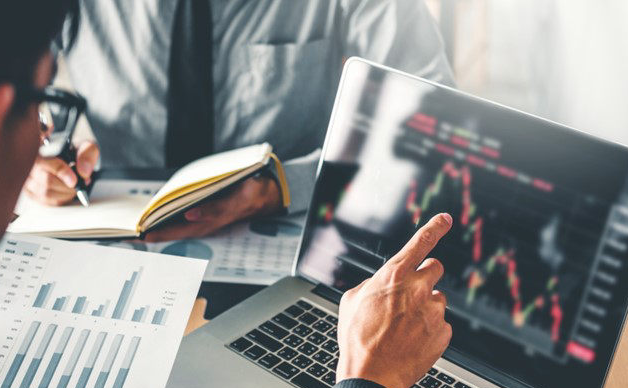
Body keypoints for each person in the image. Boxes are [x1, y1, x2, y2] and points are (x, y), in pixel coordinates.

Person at [0, 1, 452, 388]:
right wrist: (40, 150)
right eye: (40, 102)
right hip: (114, 255)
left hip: (290, 258)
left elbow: (433, 123)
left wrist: (283, 184)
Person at [23, 0, 455, 242]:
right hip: (114, 227)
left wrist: (284, 186)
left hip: (289, 229)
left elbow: (432, 126)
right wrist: (28, 151)